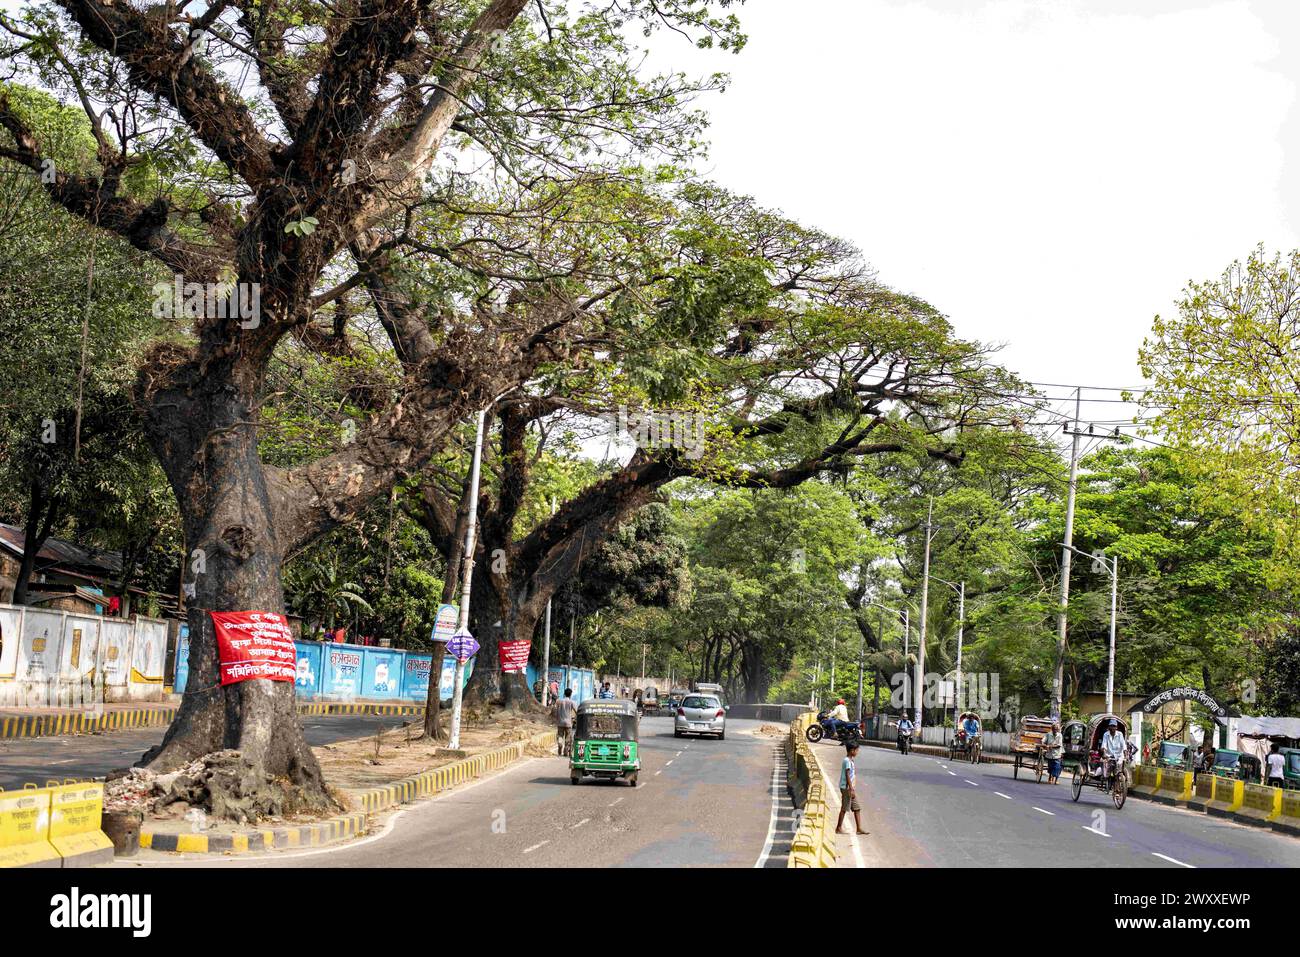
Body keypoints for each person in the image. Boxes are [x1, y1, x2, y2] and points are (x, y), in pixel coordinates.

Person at [836, 742, 867, 835]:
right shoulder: (847, 761)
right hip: (847, 788)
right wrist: (851, 788)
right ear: (852, 750)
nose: (857, 752)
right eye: (856, 750)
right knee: (844, 808)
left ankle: (859, 828)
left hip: (850, 788)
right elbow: (847, 775)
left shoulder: (851, 760)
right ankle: (838, 828)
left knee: (857, 808)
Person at [553, 688, 577, 756]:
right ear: (570, 695)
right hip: (568, 723)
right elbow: (576, 711)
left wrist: (557, 719)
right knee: (567, 738)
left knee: (560, 736)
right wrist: (575, 718)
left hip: (560, 722)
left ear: (564, 693)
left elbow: (555, 711)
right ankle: (566, 751)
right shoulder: (571, 702)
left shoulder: (559, 701)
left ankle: (560, 745)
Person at [1041, 720, 1064, 785]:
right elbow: (1043, 740)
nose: (1055, 730)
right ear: (1052, 729)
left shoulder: (1060, 735)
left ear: (1058, 730)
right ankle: (1050, 777)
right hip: (1050, 754)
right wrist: (1044, 744)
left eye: (1056, 729)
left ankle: (1055, 779)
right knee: (1050, 767)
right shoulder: (1048, 734)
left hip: (1057, 753)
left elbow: (1059, 745)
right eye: (1054, 729)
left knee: (1057, 767)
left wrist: (1051, 746)